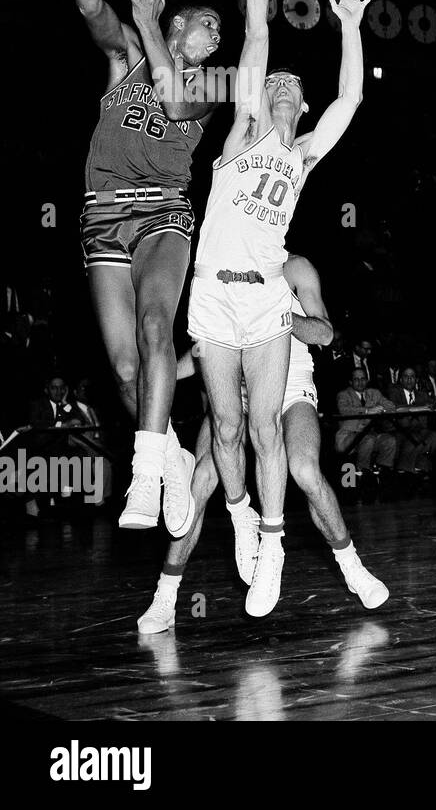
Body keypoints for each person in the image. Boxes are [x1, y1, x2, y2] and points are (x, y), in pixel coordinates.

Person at [184, 0, 374, 617]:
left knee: (264, 429)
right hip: (212, 295)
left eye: (293, 87)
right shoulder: (241, 135)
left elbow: (351, 97)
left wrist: (350, 26)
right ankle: (239, 518)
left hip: (265, 296)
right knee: (225, 431)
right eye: (274, 86)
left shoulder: (303, 156)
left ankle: (273, 545)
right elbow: (258, 37)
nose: (282, 89)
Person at [58, 0, 221, 536]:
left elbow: (173, 97)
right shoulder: (125, 52)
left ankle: (146, 476)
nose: (214, 37)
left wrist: (153, 28)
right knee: (126, 370)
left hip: (164, 211)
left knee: (159, 327)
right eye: (207, 25)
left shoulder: (211, 83)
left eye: (218, 33)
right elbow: (92, 8)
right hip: (102, 213)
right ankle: (173, 460)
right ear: (179, 21)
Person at [137, 254, 387, 633]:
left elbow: (324, 333)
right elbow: (203, 352)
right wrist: (155, 375)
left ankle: (352, 566)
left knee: (304, 469)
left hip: (290, 383)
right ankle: (166, 595)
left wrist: (277, 314)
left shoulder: (296, 267)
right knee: (200, 481)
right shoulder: (221, 270)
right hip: (236, 391)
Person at [335, 368, 399, 476]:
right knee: (368, 439)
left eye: (363, 379)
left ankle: (382, 472)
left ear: (367, 380)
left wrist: (380, 409)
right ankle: (362, 472)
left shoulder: (374, 393)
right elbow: (344, 410)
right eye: (356, 379)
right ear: (350, 382)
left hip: (369, 435)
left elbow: (391, 406)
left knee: (390, 440)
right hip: (348, 437)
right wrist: (367, 410)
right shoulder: (343, 394)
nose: (360, 382)